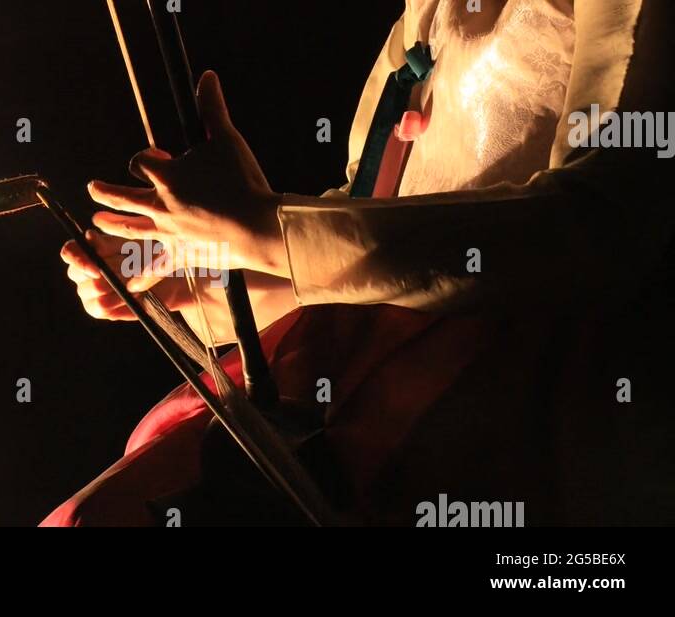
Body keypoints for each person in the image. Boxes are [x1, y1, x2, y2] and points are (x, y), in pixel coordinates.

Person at [45, 0, 675, 526]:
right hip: (351, 386)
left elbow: (606, 223)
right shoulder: (421, 14)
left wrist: (265, 230)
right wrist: (202, 270)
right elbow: (361, 229)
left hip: (515, 430)